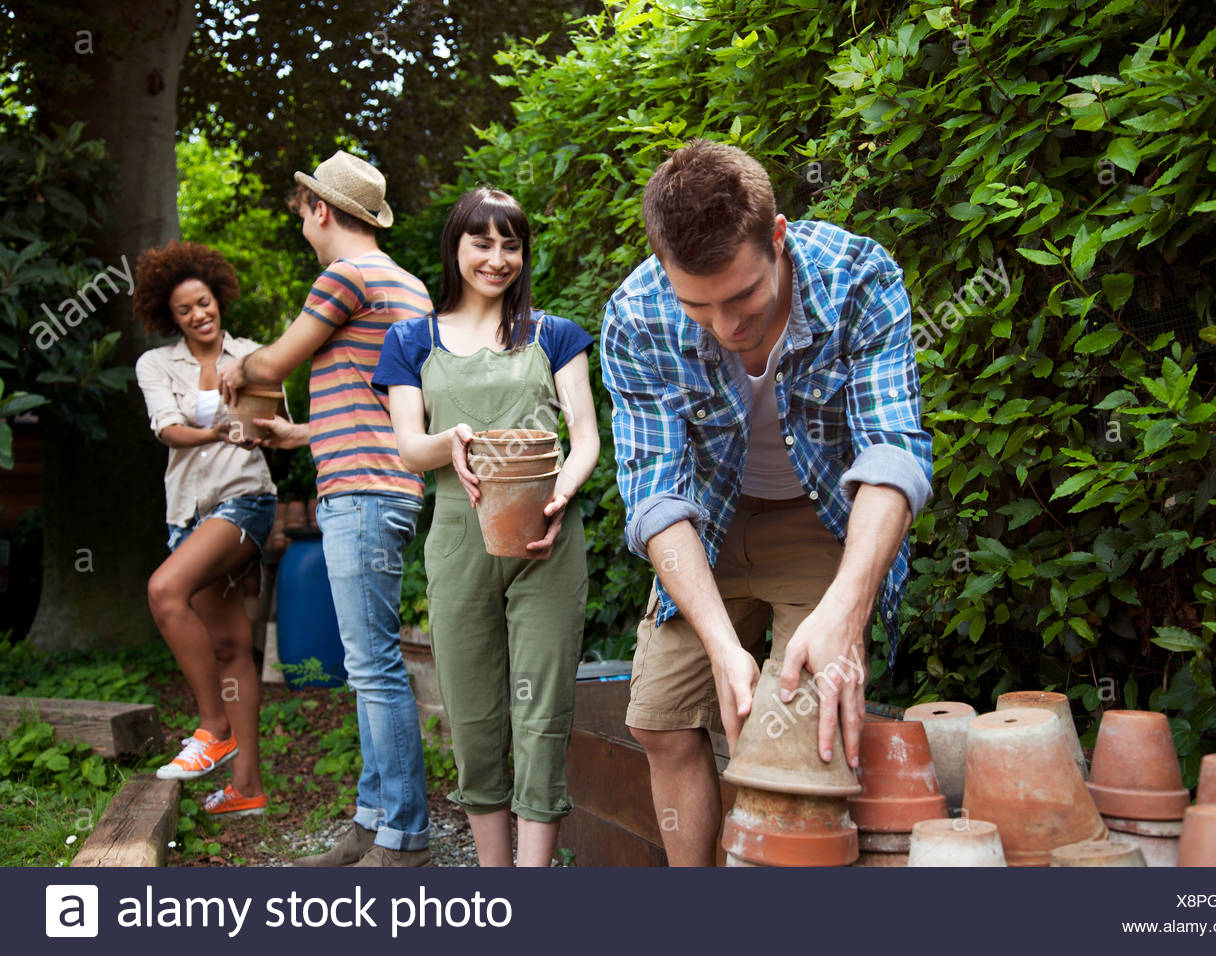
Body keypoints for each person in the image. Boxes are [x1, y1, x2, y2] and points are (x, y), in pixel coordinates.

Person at [600, 140, 933, 865]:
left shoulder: (858, 277)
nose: (726, 326)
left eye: (743, 295)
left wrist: (848, 610)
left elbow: (893, 452)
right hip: (706, 529)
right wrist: (721, 647)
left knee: (800, 732)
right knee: (660, 720)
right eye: (698, 304)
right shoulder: (635, 317)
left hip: (818, 522)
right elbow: (656, 492)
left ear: (776, 238)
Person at [217, 150, 434, 866]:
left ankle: (403, 839)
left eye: (304, 210)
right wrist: (300, 432)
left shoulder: (346, 275)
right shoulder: (408, 286)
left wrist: (234, 369)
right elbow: (389, 406)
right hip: (386, 485)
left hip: (364, 495)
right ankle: (372, 824)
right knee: (367, 662)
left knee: (374, 666)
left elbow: (274, 364)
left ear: (321, 210)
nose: (304, 222)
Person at [373, 186, 598, 867]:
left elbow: (585, 438)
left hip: (547, 544)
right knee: (473, 720)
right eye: (482, 242)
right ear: (456, 246)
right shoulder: (411, 339)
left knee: (542, 714)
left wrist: (559, 495)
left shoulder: (552, 335)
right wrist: (455, 441)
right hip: (458, 545)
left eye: (510, 244)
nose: (497, 258)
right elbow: (410, 447)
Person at [133, 241, 279, 817]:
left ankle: (213, 726)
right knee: (229, 645)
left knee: (163, 591)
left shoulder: (253, 355)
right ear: (172, 318)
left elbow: (270, 423)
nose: (199, 314)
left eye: (205, 301)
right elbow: (167, 430)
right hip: (188, 514)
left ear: (218, 297)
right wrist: (221, 429)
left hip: (244, 501)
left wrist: (261, 426)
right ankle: (247, 787)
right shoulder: (157, 365)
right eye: (185, 309)